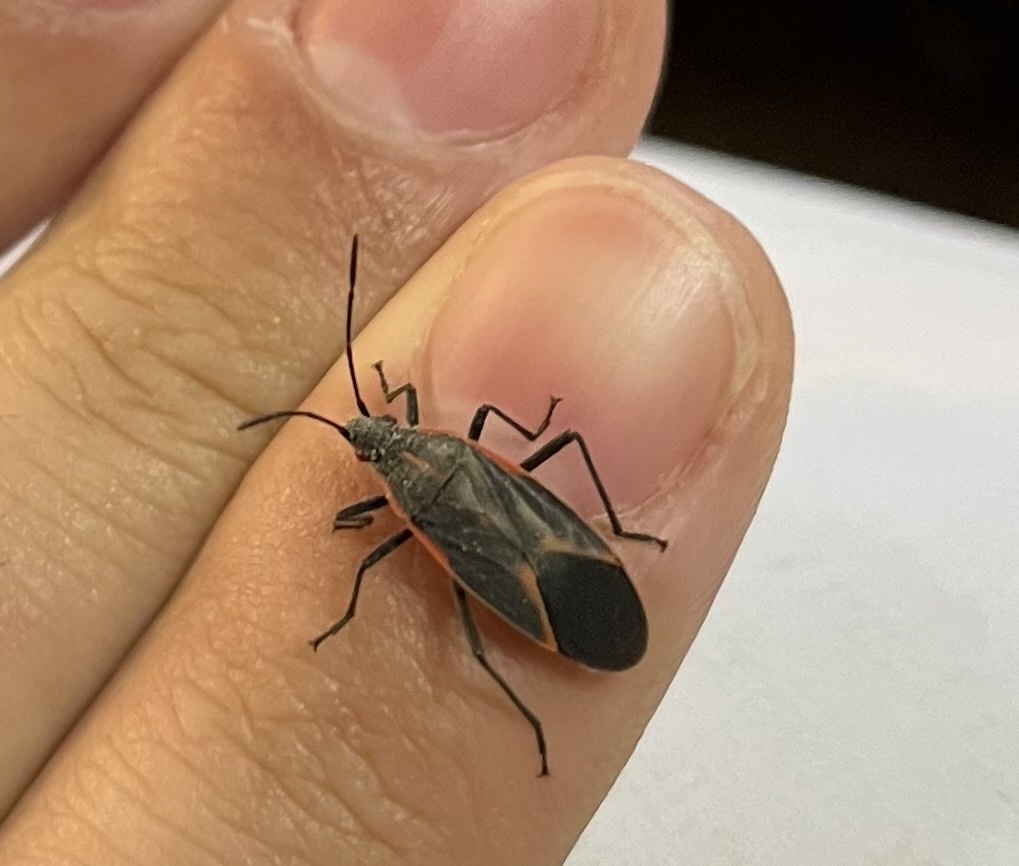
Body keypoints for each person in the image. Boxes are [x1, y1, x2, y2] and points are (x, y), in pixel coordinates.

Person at [0, 1, 793, 862]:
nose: (370, 434)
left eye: (372, 427)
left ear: (394, 434)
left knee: (426, 580)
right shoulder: (436, 458)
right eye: (371, 434)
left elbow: (404, 518)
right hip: (514, 517)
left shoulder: (404, 497)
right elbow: (494, 437)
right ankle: (586, 594)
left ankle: (559, 648)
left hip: (493, 537)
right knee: (539, 456)